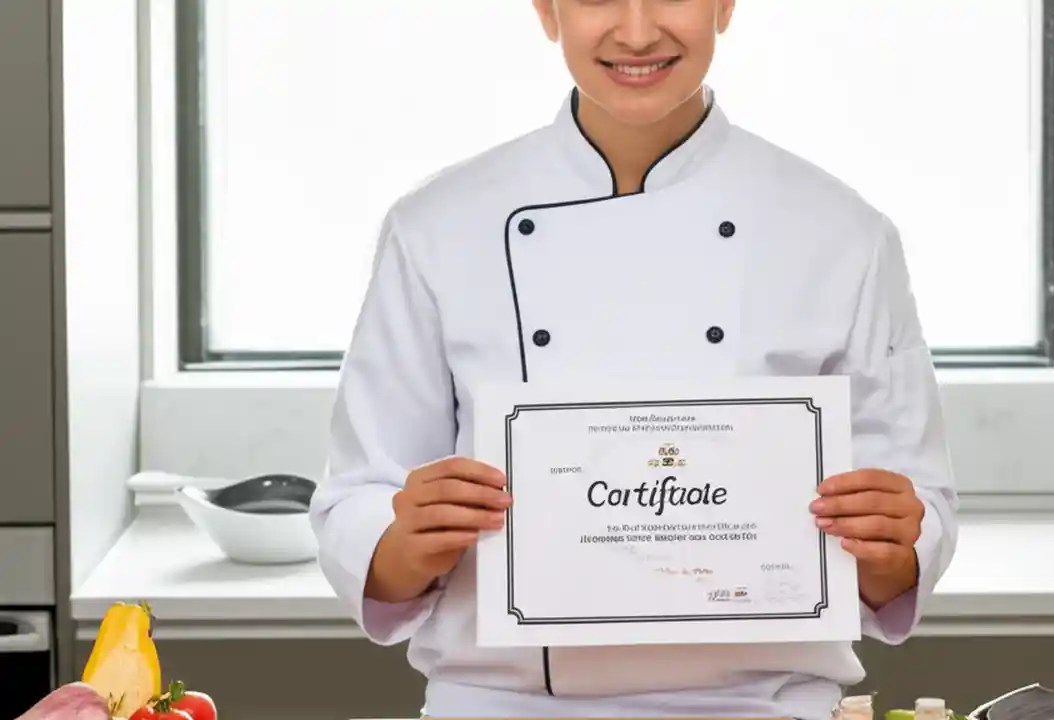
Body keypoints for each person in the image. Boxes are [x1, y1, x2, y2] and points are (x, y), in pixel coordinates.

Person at [310, 1, 959, 718]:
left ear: (725, 5)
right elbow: (359, 498)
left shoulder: (844, 234)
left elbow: (917, 514)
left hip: (765, 705)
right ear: (546, 11)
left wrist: (890, 543)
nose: (639, 31)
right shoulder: (436, 226)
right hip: (500, 704)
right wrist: (407, 542)